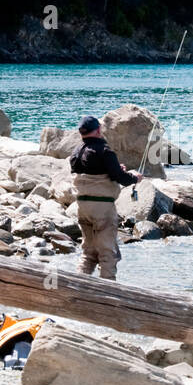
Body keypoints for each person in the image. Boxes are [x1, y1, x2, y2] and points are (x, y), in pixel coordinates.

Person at [68, 115, 143, 280]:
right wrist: (135, 177)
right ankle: (108, 293)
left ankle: (79, 287)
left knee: (89, 252)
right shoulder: (104, 150)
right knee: (108, 253)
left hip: (82, 207)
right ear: (98, 130)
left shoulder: (76, 152)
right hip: (102, 208)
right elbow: (120, 178)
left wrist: (116, 169)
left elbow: (95, 172)